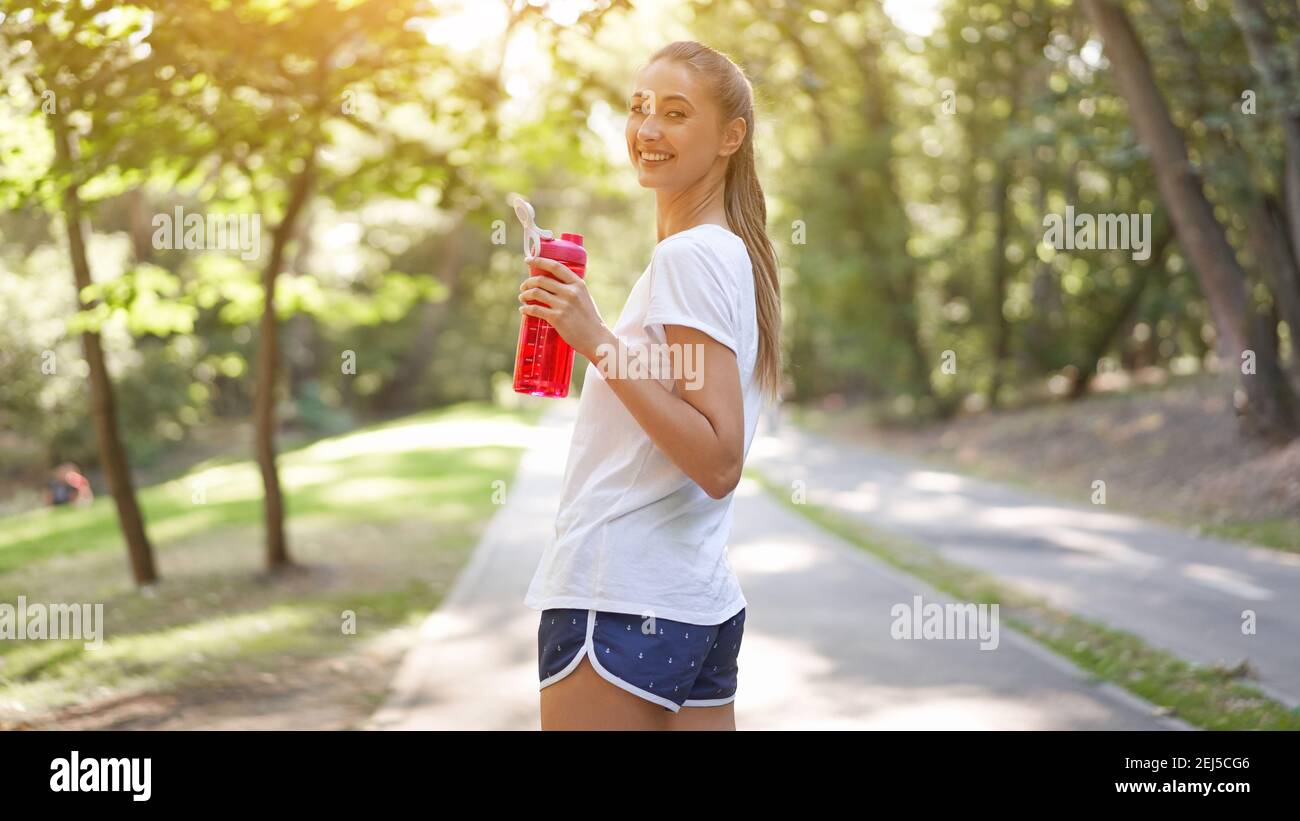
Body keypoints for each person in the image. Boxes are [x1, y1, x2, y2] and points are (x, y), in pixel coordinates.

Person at [518, 41, 781, 730]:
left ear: (731, 137)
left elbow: (718, 457)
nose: (648, 129)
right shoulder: (724, 250)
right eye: (639, 109)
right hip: (692, 601)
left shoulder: (691, 256)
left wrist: (598, 341)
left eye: (675, 112)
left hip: (617, 596)